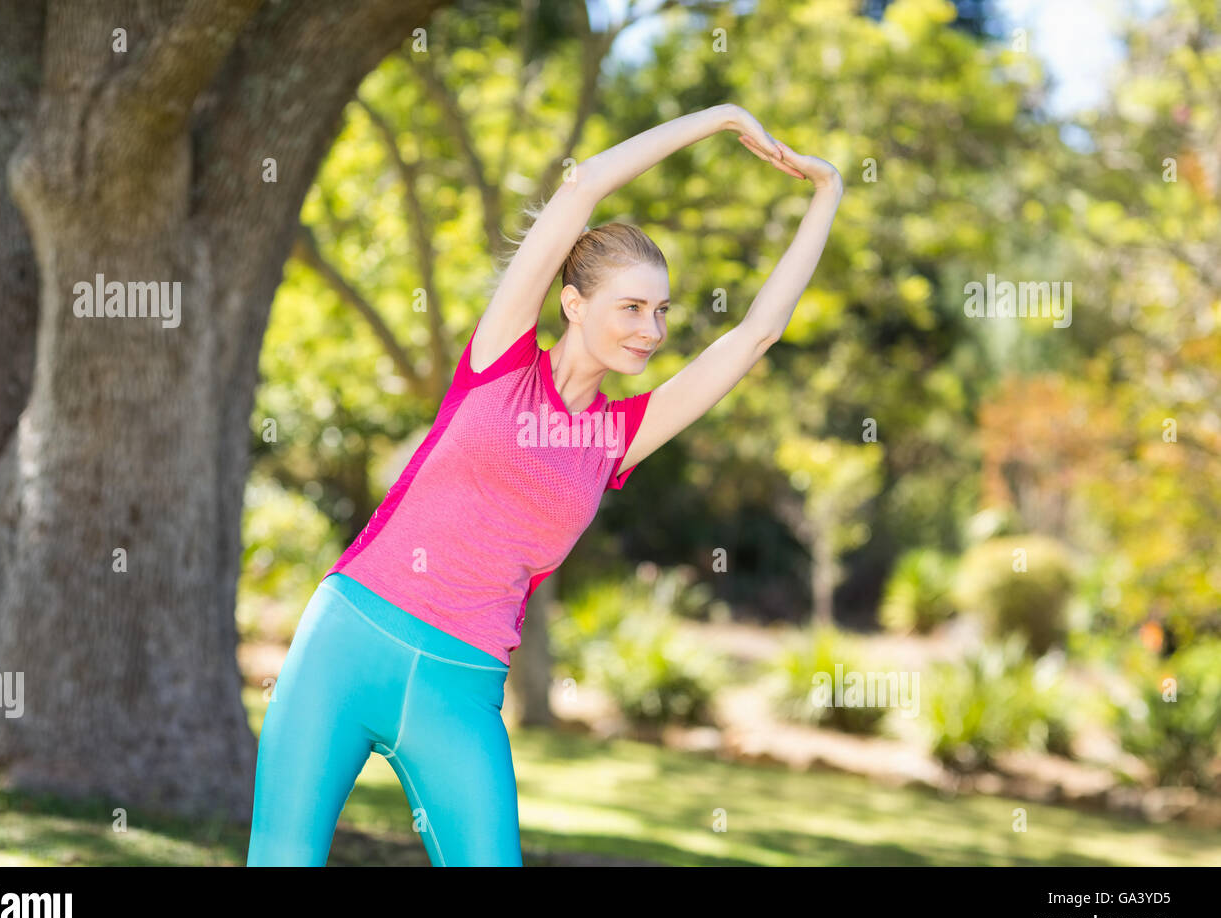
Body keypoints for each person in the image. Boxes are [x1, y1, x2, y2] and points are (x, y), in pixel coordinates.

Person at [246, 102, 843, 866]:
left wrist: (825, 193)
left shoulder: (619, 437)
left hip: (460, 692)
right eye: (632, 306)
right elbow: (584, 185)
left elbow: (755, 333)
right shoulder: (498, 358)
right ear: (574, 303)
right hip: (346, 641)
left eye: (661, 312)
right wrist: (720, 119)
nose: (651, 331)